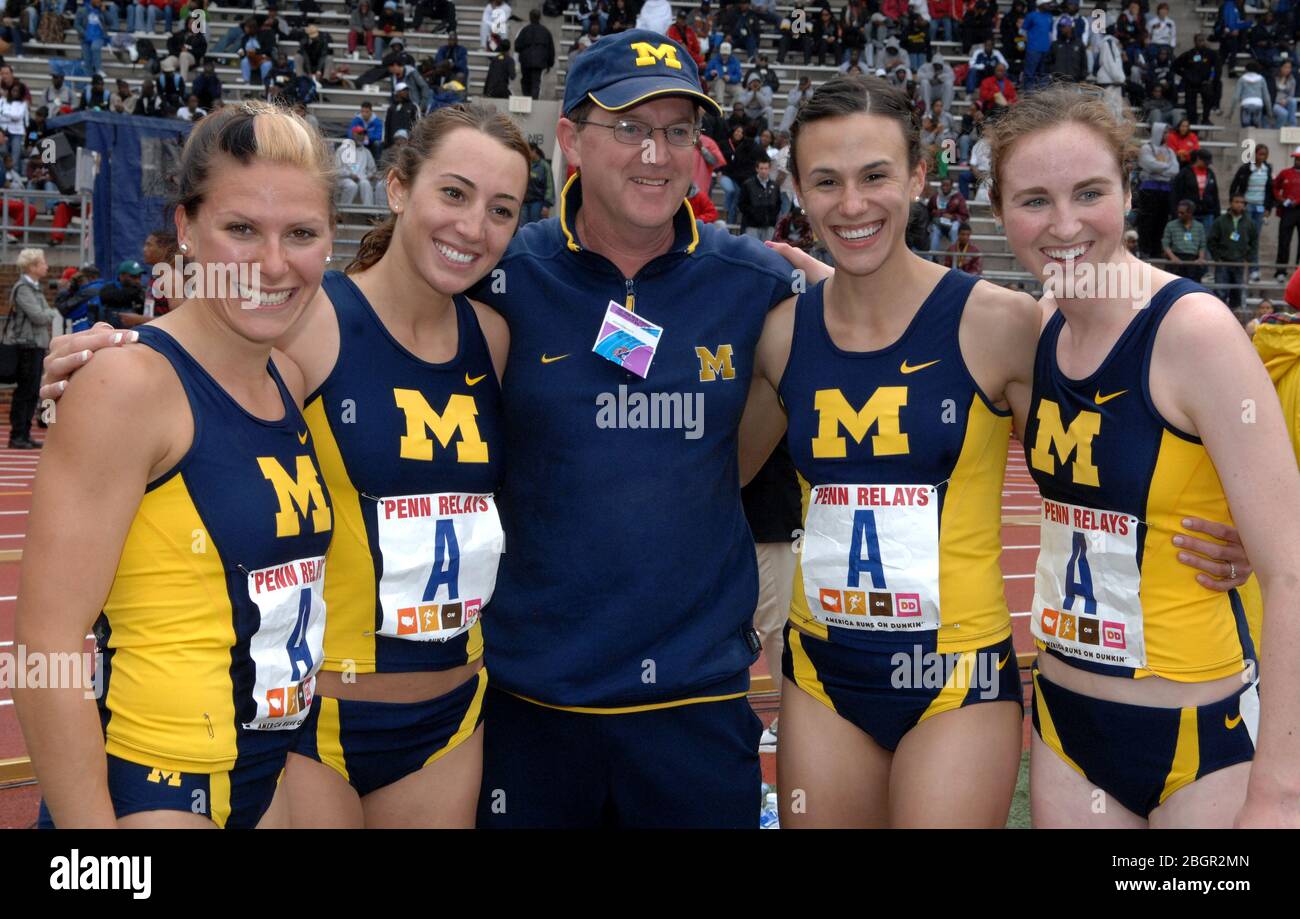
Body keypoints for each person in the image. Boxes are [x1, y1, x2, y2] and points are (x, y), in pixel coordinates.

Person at [40, 103, 530, 828]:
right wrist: (108, 357)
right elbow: (207, 354)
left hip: (425, 722)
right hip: (287, 732)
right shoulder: (305, 324)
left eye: (502, 209)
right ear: (397, 188)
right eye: (452, 192)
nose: (472, 224)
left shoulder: (491, 338)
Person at [14, 102, 337, 828]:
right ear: (186, 229)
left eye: (302, 234)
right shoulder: (126, 384)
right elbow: (45, 650)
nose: (273, 263)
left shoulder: (286, 373)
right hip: (154, 788)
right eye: (242, 229)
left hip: (267, 775)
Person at [986, 84, 1299, 829]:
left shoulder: (1194, 332)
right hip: (1065, 728)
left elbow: (1290, 566)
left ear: (1129, 191)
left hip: (1199, 738)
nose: (1064, 224)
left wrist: (1280, 792)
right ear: (999, 209)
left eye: (1089, 192)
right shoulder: (1037, 330)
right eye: (1033, 199)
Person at [3, 248, 58, 449]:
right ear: (32, 266)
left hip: (36, 344)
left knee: (32, 391)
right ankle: (17, 434)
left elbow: (42, 313)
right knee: (25, 391)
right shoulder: (24, 289)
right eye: (42, 262)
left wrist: (47, 313)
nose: (46, 266)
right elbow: (39, 316)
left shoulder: (34, 288)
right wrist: (50, 313)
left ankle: (24, 434)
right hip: (27, 344)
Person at [1230, 142, 1273, 282]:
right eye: (1260, 154)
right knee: (1244, 238)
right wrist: (1235, 202)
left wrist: (1268, 209)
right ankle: (1240, 267)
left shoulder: (1267, 169)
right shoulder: (1246, 168)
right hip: (1247, 207)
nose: (1262, 157)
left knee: (1254, 240)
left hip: (1260, 208)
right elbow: (1235, 185)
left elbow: (1269, 190)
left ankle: (1254, 270)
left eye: (1264, 155)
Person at [1206, 194, 1258, 309]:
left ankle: (1235, 319)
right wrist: (1217, 257)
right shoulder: (1220, 221)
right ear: (1231, 203)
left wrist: (1248, 259)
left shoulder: (1250, 222)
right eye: (1236, 202)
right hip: (1223, 262)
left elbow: (1254, 243)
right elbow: (1211, 241)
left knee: (1237, 294)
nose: (1239, 204)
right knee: (1220, 293)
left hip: (1239, 263)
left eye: (1242, 203)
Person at [1172, 34, 1217, 126]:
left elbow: (1216, 68)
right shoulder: (1189, 54)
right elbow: (1175, 66)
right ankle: (1192, 122)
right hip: (1191, 84)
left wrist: (1211, 79)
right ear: (1195, 42)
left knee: (1209, 98)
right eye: (1199, 40)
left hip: (1204, 83)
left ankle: (1205, 119)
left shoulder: (1210, 54)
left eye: (1203, 40)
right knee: (1190, 105)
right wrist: (1185, 75)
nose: (1201, 42)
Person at [1163, 198, 1209, 278]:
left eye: (1182, 213)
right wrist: (1173, 258)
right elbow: (1165, 244)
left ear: (1190, 213)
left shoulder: (1199, 226)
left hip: (1193, 260)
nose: (1179, 215)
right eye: (1178, 212)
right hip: (1176, 258)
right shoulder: (1171, 225)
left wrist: (1201, 258)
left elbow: (1202, 245)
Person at [516, 9, 555, 100]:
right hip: (539, 62)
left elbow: (517, 46)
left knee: (526, 81)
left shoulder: (524, 30)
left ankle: (526, 99)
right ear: (539, 18)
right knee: (536, 83)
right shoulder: (546, 31)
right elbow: (551, 49)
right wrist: (550, 64)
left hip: (526, 61)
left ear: (530, 17)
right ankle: (533, 102)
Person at [1274, 147, 1300, 281]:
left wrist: (1298, 200)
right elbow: (1275, 187)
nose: (1298, 161)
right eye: (1296, 158)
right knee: (1284, 241)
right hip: (1288, 211)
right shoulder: (1285, 173)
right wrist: (1281, 199)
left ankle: (1298, 272)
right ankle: (1281, 271)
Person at [336, 126, 379, 206]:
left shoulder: (366, 152)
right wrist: (350, 175)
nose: (362, 136)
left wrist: (370, 175)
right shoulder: (342, 149)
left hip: (361, 179)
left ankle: (369, 213)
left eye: (363, 134)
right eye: (359, 134)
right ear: (353, 135)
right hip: (345, 178)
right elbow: (336, 170)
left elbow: (373, 170)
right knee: (351, 185)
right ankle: (342, 212)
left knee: (365, 183)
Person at [523, 141, 554, 224]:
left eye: (528, 151)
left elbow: (549, 186)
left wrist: (546, 205)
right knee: (522, 229)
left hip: (537, 203)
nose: (526, 154)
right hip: (524, 203)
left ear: (534, 151)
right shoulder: (525, 164)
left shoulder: (544, 166)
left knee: (535, 227)